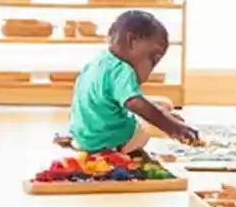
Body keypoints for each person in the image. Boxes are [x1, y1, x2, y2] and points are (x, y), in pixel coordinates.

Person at [67, 10, 199, 153]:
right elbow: (135, 103)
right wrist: (174, 127)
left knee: (162, 105)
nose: (151, 68)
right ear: (132, 41)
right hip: (108, 142)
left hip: (83, 139)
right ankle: (127, 147)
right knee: (146, 124)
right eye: (153, 58)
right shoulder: (122, 69)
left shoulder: (98, 61)